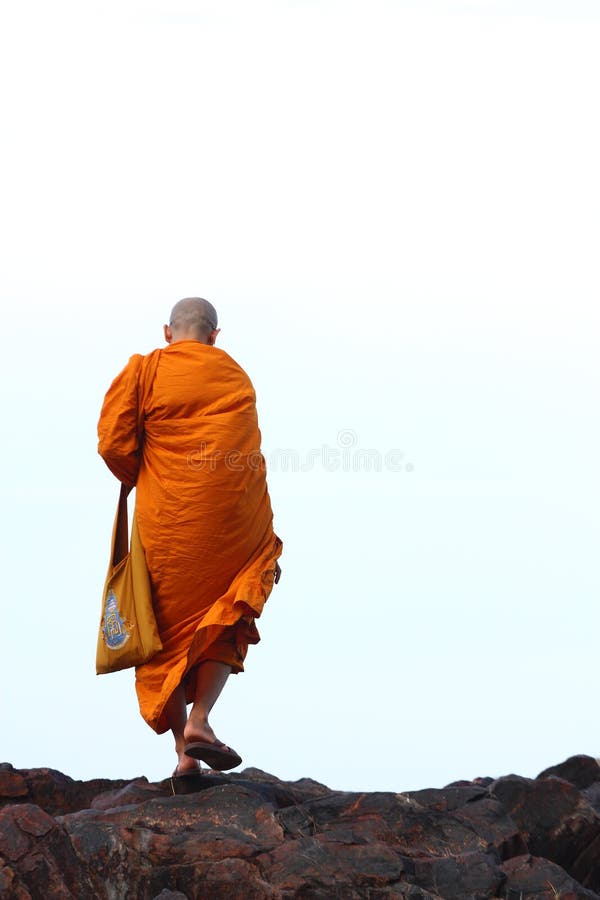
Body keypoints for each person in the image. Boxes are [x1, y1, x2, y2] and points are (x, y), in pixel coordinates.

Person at [98, 298, 282, 776]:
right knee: (228, 604)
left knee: (158, 630)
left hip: (169, 523)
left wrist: (155, 470)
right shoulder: (235, 376)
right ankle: (200, 720)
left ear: (167, 331)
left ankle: (184, 749)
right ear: (214, 337)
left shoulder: (145, 371)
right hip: (232, 521)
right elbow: (245, 455)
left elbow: (113, 444)